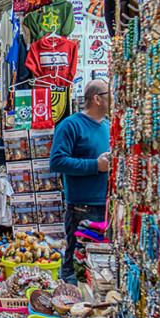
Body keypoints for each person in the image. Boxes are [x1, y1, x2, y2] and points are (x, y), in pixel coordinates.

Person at [49, 78, 110, 282]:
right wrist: (95, 165)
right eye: (109, 95)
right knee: (75, 265)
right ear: (97, 99)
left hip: (107, 206)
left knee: (99, 267)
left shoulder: (108, 127)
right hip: (82, 209)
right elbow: (57, 161)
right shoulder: (70, 125)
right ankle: (69, 304)